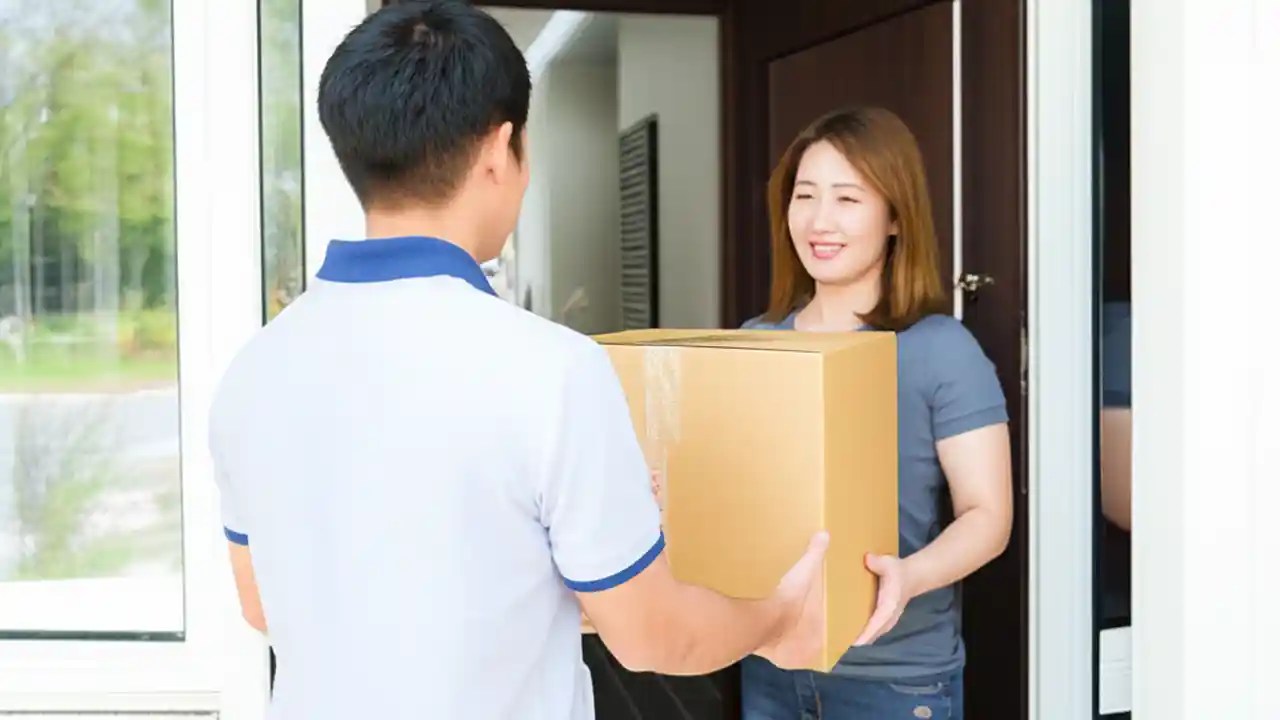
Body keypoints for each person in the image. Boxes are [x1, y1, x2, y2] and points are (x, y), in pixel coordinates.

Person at [206, 3, 828, 718]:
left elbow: (263, 604)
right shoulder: (553, 371)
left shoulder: (254, 371)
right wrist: (780, 616)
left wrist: (563, 561)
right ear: (502, 150)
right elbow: (653, 636)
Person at [739, 107, 1014, 719]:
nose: (820, 220)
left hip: (896, 680)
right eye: (805, 196)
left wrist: (909, 577)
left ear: (894, 217)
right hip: (770, 662)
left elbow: (988, 516)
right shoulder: (755, 342)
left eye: (847, 198)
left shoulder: (940, 348)